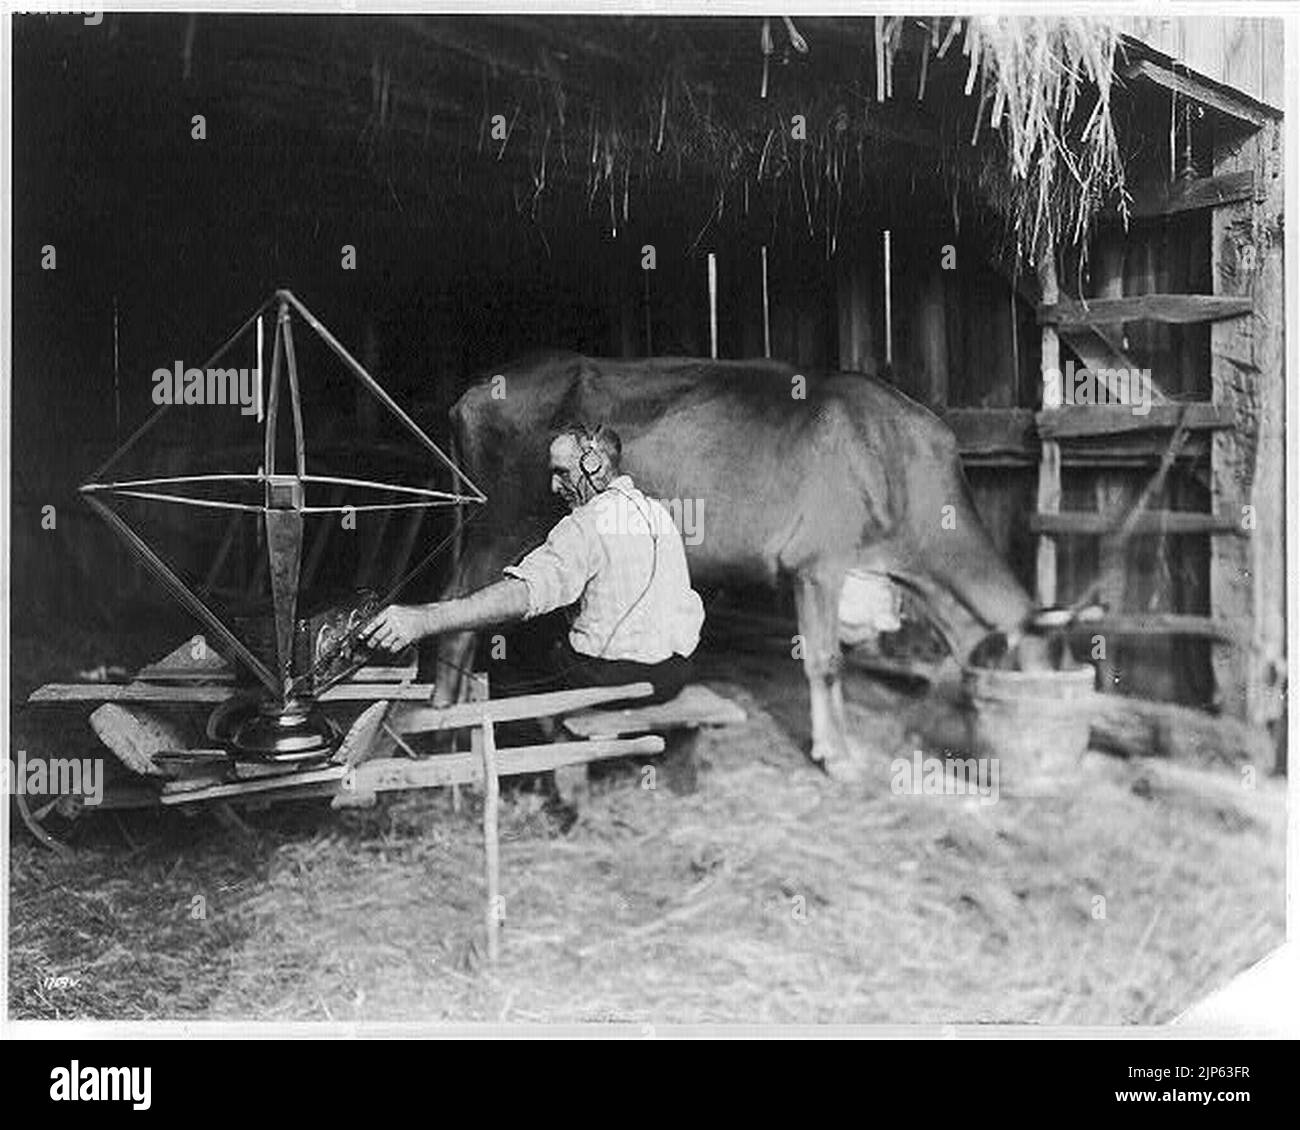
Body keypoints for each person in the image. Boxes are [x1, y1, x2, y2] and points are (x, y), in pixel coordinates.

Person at [361, 423, 705, 704]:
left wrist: (421, 620)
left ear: (595, 466)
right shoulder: (659, 512)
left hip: (614, 680)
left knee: (507, 651)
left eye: (562, 473)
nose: (554, 486)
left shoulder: (585, 525)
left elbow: (524, 594)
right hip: (673, 673)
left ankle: (539, 753)